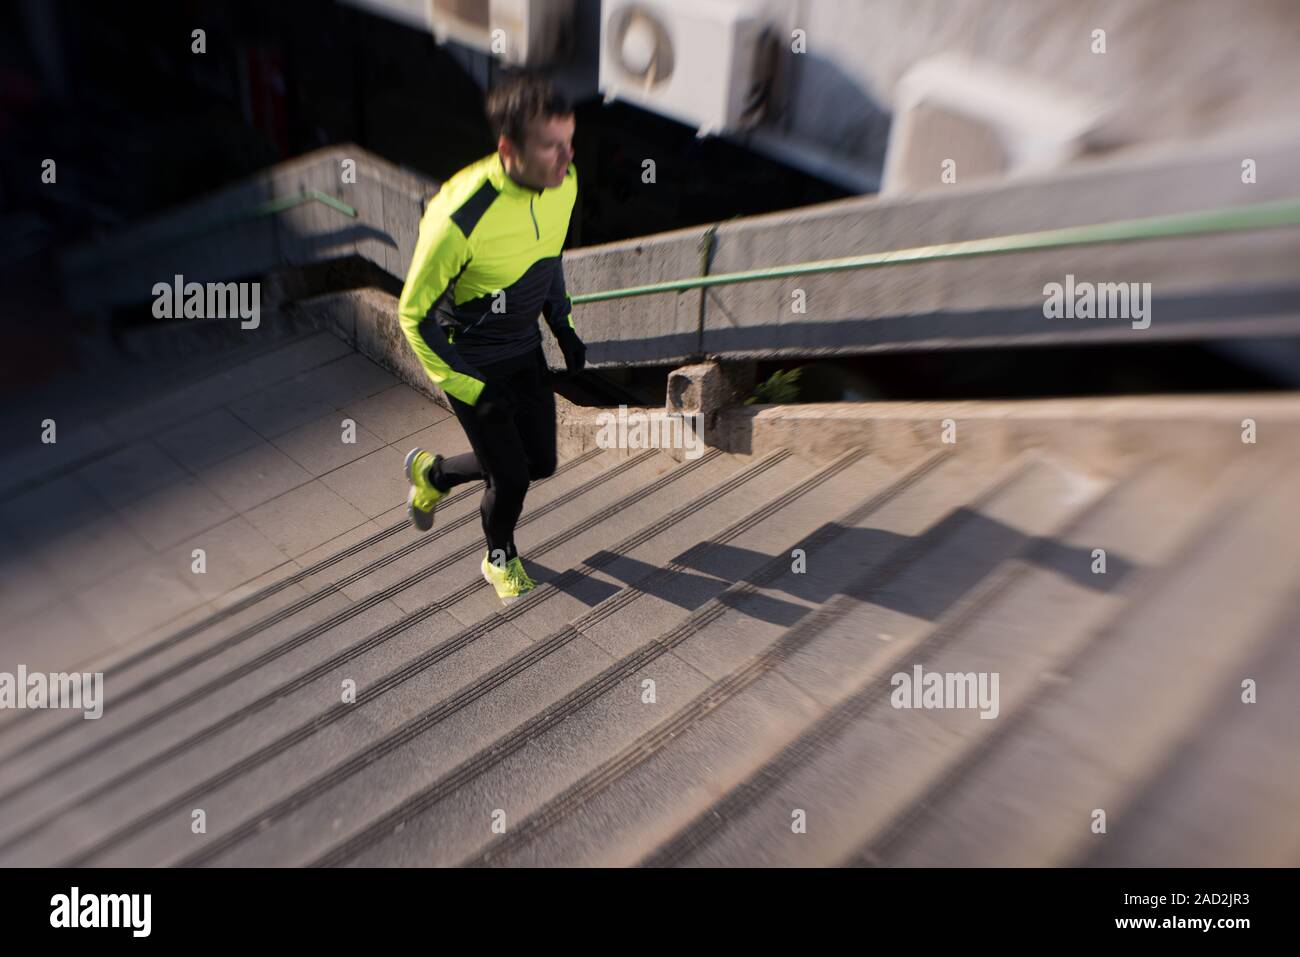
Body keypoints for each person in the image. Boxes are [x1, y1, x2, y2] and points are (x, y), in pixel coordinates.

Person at [396, 71, 587, 605]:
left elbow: (549, 260)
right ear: (509, 149)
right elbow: (414, 317)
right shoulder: (457, 216)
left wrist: (563, 327)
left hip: (523, 348)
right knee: (512, 479)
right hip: (470, 360)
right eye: (551, 147)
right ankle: (498, 556)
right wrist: (475, 387)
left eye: (569, 143)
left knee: (540, 463)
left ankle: (433, 472)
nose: (566, 158)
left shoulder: (563, 184)